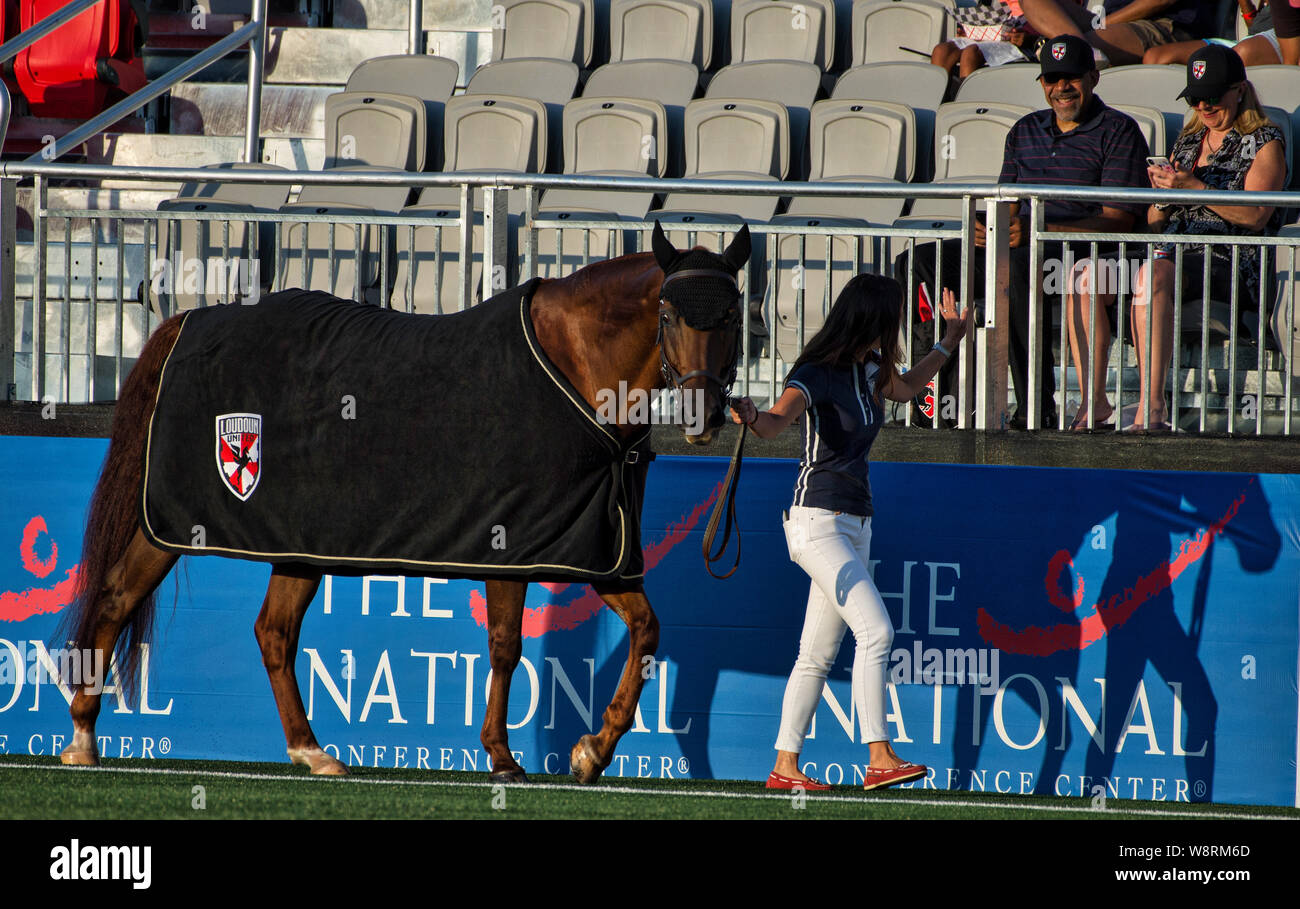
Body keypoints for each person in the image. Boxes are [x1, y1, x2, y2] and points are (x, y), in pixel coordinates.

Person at [729, 273, 972, 791]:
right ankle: (879, 756)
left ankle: (784, 768)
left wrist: (948, 343)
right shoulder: (816, 372)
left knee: (814, 655)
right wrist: (752, 415)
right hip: (816, 522)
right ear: (872, 317)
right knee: (877, 632)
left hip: (856, 523)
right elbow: (774, 423)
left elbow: (907, 390)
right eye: (893, 317)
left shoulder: (871, 370)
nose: (897, 328)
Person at [896, 34, 1149, 430]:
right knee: (918, 263)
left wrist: (1035, 229)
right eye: (1052, 79)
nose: (1061, 88)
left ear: (1093, 78)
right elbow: (1007, 206)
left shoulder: (1119, 131)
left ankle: (1036, 406)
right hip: (1023, 246)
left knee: (1013, 263)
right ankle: (937, 402)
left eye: (1071, 78)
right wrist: (986, 228)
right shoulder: (1024, 130)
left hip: (1079, 255)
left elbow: (1119, 220)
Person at [1070, 44, 1286, 432]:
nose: (1203, 106)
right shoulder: (1188, 141)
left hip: (1227, 258)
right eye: (1196, 99)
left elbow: (1256, 215)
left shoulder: (1265, 141)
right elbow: (1155, 221)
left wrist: (1195, 188)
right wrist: (1163, 198)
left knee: (1153, 274)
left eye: (1212, 97)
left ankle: (1152, 408)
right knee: (1085, 275)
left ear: (1239, 89)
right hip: (1170, 251)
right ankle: (1094, 403)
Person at [1019, 0, 1216, 66]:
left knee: (1073, 50)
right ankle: (1078, 47)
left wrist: (1101, 24)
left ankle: (1078, 48)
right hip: (1109, 21)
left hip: (1166, 24)